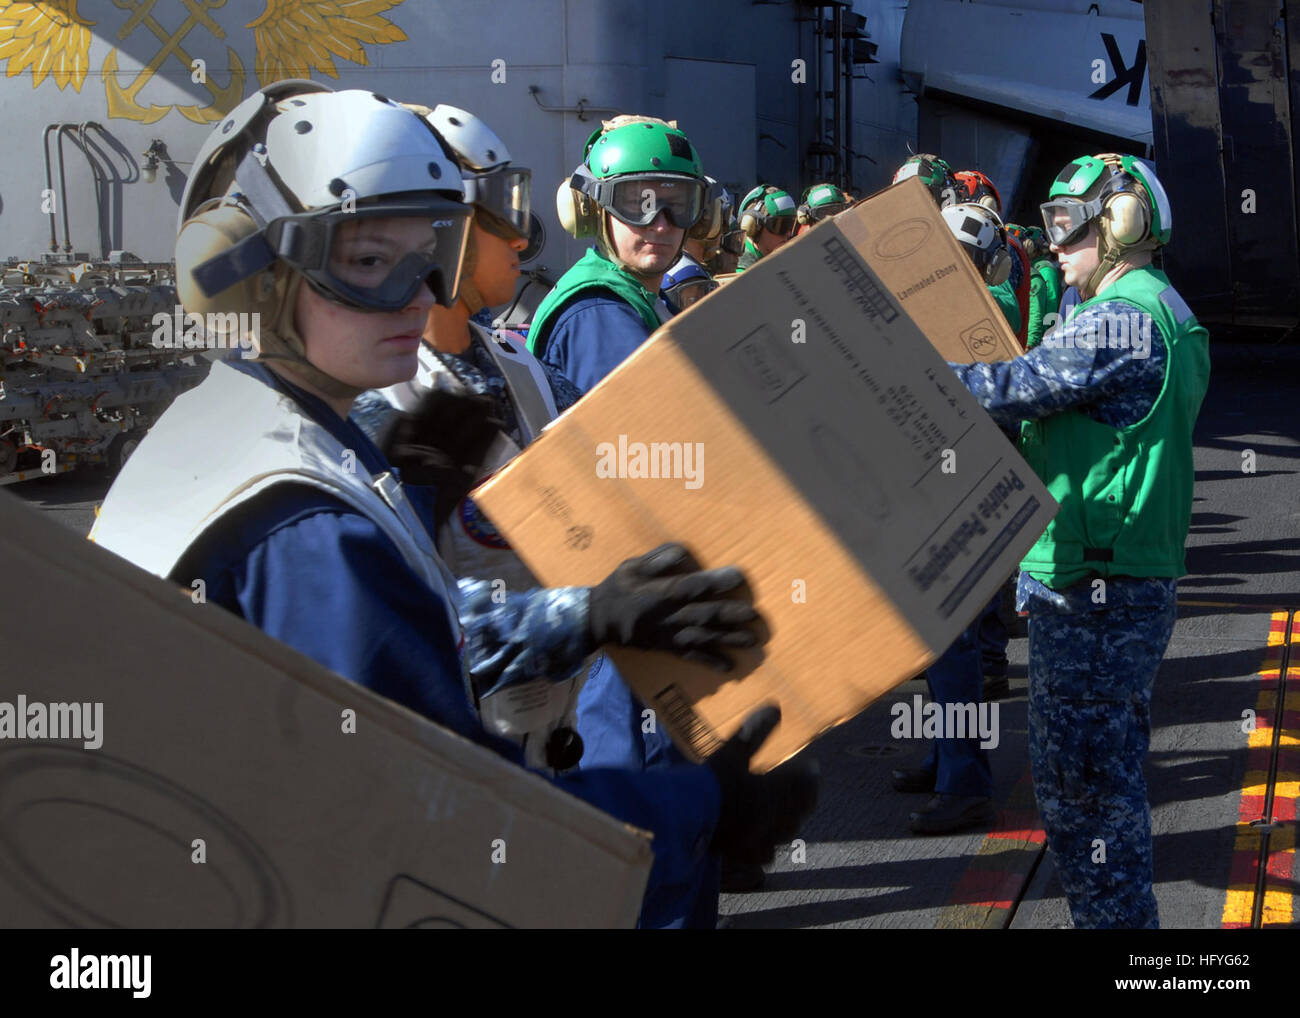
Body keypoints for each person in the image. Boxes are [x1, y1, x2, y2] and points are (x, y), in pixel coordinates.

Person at [88, 83, 819, 928]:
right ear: (250, 268)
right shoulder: (305, 528)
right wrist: (701, 811)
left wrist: (582, 612)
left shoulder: (227, 429)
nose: (417, 293)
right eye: (368, 262)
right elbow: (451, 831)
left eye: (431, 251)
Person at [945, 153, 1210, 927]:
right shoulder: (1161, 306)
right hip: (1114, 576)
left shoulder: (1120, 316)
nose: (1054, 245)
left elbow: (1006, 389)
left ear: (1121, 225)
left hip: (1098, 586)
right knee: (1100, 781)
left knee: (1087, 795)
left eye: (1067, 226)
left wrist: (893, 369)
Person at [348, 102, 587, 774]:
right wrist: (588, 616)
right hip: (441, 765)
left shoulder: (527, 371)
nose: (520, 239)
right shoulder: (373, 404)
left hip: (549, 746)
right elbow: (391, 617)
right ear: (437, 228)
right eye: (498, 216)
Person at [890, 200, 1019, 834]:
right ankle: (947, 760)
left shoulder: (992, 320)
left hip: (960, 496)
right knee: (939, 646)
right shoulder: (967, 309)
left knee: (953, 648)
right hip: (932, 490)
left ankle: (965, 780)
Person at [1006, 222, 1064, 349]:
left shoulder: (1045, 271)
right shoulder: (1024, 270)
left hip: (1042, 340)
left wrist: (1035, 343)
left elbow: (1049, 306)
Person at [733, 185, 797, 271]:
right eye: (781, 226)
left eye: (790, 225)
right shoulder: (740, 273)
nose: (788, 233)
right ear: (753, 227)